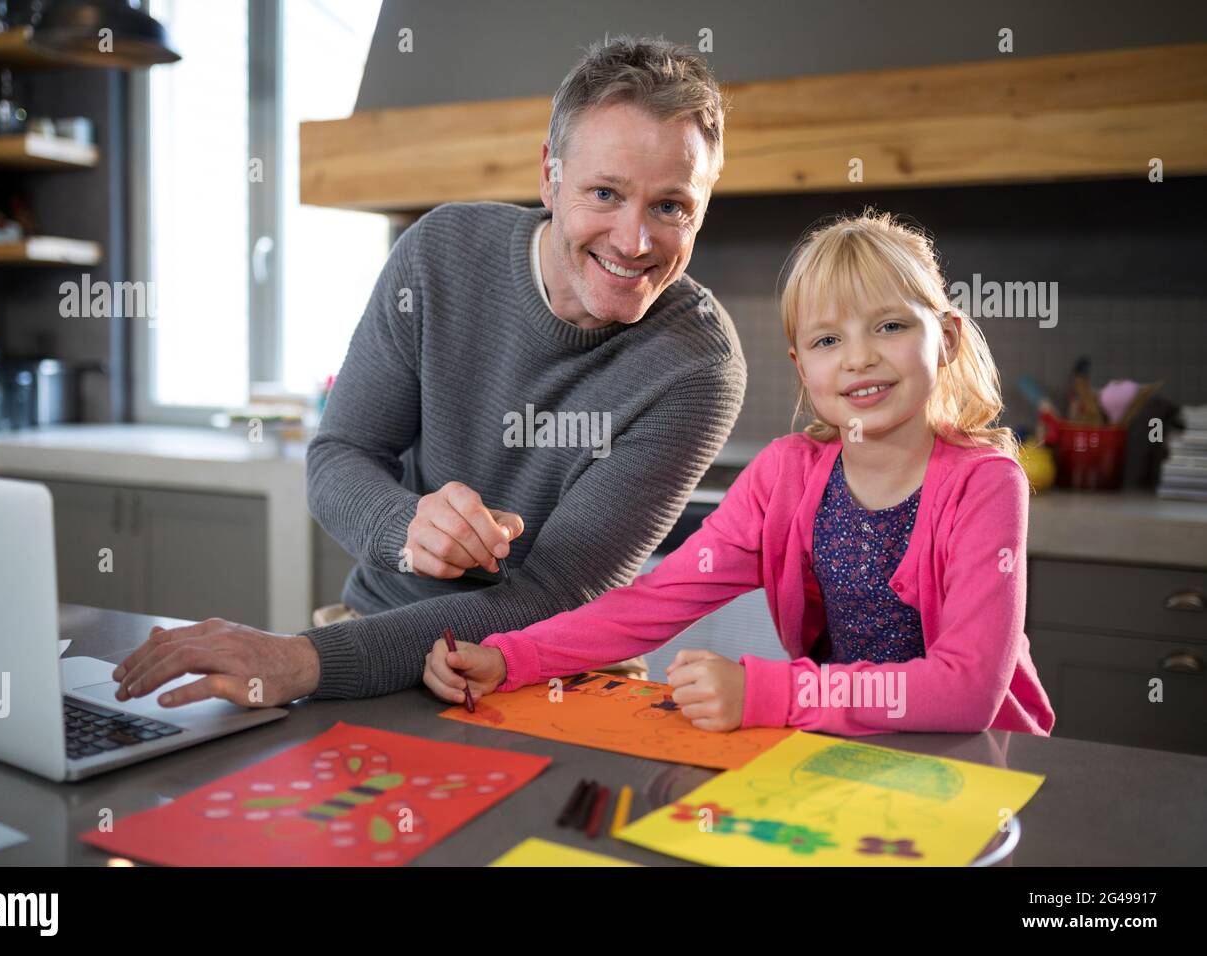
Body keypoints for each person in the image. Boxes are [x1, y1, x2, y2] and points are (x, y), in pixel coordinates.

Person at [111, 35, 746, 708]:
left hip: (555, 674)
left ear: (701, 207)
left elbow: (557, 596)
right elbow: (339, 455)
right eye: (605, 193)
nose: (634, 241)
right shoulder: (440, 256)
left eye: (670, 207)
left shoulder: (698, 365)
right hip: (372, 636)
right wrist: (404, 529)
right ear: (550, 178)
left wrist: (304, 661)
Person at [424, 209, 1056, 738]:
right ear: (801, 366)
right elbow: (654, 601)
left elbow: (967, 692)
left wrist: (767, 693)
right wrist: (512, 658)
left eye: (890, 326)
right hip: (848, 748)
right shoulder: (786, 476)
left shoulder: (986, 483)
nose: (860, 358)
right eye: (827, 340)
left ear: (945, 340)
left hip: (982, 765)